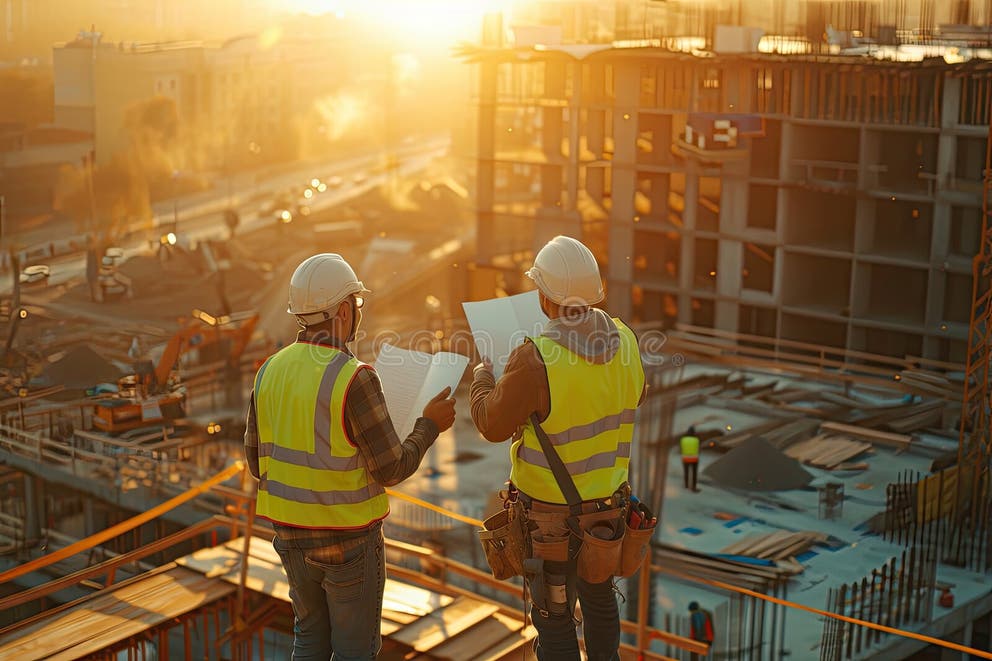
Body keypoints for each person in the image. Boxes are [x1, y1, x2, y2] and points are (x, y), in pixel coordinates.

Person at [244, 253, 456, 660]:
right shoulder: (353, 377)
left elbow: (257, 463)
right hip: (348, 547)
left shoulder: (269, 370)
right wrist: (428, 426)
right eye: (357, 305)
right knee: (354, 652)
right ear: (343, 311)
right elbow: (392, 467)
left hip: (289, 539)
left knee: (308, 638)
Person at [470, 235, 645, 661]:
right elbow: (632, 397)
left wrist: (482, 377)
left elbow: (491, 424)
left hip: (549, 520)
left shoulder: (536, 358)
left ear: (545, 299)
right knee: (601, 599)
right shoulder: (625, 340)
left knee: (553, 616)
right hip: (607, 508)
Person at [680, 426, 701, 492]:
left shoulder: (683, 439)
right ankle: (693, 486)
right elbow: (698, 448)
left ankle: (686, 485)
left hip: (685, 458)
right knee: (694, 473)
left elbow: (681, 448)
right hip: (694, 459)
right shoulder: (696, 440)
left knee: (686, 472)